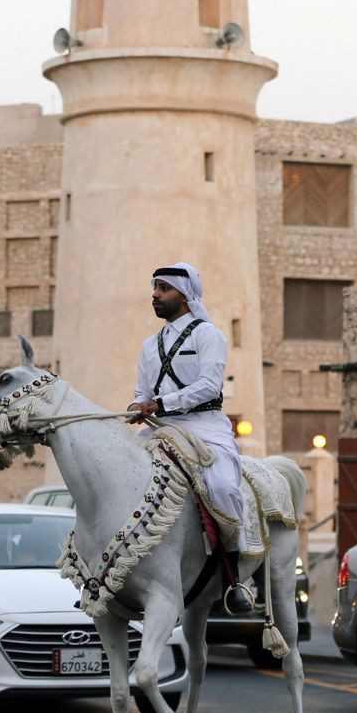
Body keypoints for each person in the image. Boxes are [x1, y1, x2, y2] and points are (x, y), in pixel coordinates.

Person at [127, 263, 253, 615]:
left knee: (224, 487)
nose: (155, 294)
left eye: (163, 288)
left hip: (204, 428)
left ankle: (234, 577)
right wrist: (137, 406)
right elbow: (141, 390)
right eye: (154, 288)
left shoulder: (207, 335)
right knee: (119, 475)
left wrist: (160, 403)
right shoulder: (148, 345)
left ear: (184, 294)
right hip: (160, 429)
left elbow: (210, 386)